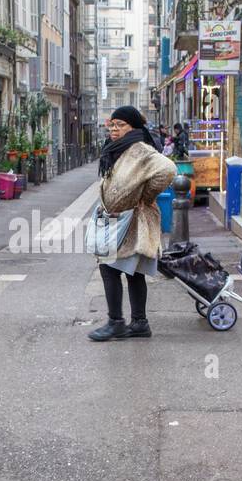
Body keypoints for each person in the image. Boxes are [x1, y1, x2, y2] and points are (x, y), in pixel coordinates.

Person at [88, 105, 176, 341]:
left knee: (109, 267)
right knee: (133, 272)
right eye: (112, 124)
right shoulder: (117, 149)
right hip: (118, 219)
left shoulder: (140, 150)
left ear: (134, 127)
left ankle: (117, 323)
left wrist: (146, 196)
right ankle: (139, 323)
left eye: (121, 125)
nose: (114, 129)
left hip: (131, 219)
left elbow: (168, 169)